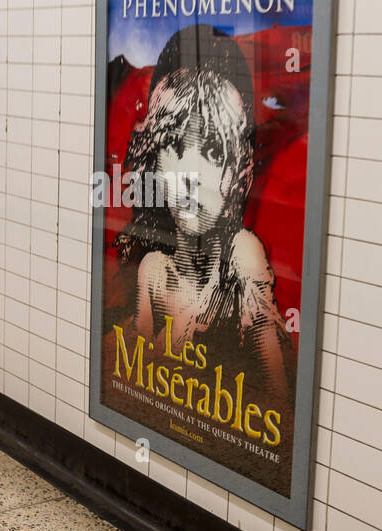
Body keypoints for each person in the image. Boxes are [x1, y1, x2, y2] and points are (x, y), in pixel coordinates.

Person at [114, 24, 292, 410]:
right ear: (155, 157)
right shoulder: (153, 272)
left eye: (212, 151)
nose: (189, 177)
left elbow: (277, 398)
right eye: (174, 145)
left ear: (237, 169)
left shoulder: (241, 257)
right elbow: (133, 371)